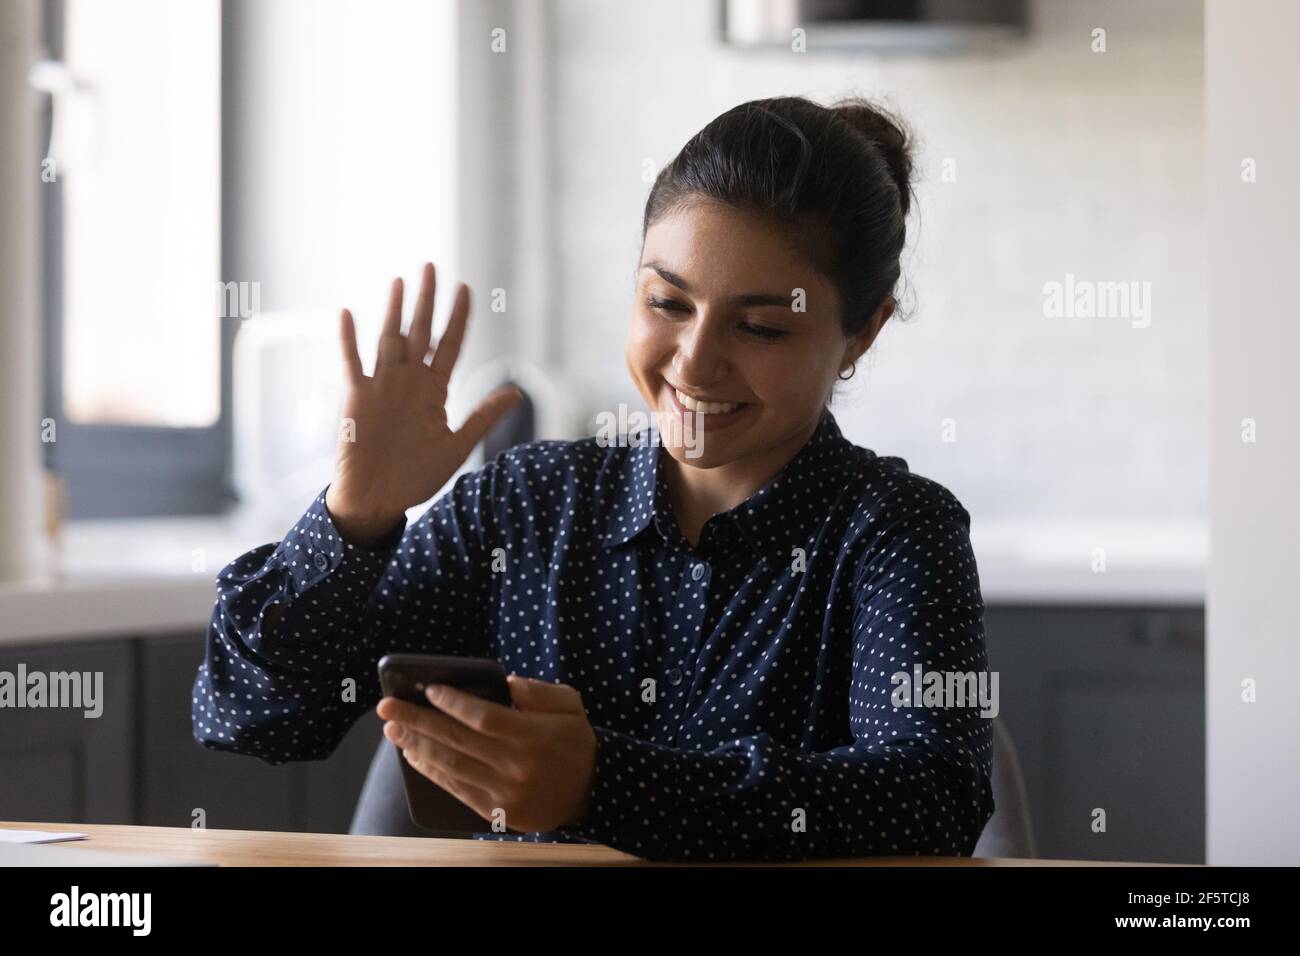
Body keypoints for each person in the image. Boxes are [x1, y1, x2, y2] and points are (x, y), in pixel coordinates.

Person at [192, 94, 995, 862]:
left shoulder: (895, 531)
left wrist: (602, 784)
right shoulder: (525, 508)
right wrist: (354, 520)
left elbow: (933, 800)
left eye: (758, 326)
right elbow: (254, 719)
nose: (694, 362)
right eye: (667, 302)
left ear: (862, 331)